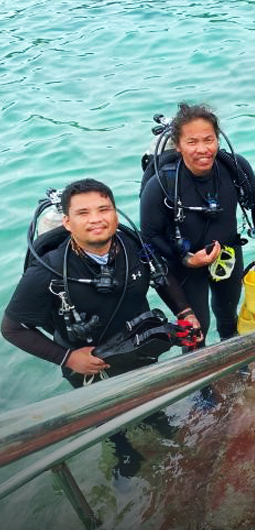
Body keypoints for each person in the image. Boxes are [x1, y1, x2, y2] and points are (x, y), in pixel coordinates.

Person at [1, 179, 199, 474]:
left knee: (149, 399)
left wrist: (185, 312)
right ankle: (122, 449)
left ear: (115, 214)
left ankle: (156, 420)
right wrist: (68, 358)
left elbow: (161, 276)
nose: (96, 219)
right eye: (83, 213)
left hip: (137, 346)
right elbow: (12, 327)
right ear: (67, 223)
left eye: (103, 209)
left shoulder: (133, 244)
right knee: (107, 417)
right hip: (88, 364)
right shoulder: (48, 270)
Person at [140, 102, 255, 343]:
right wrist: (187, 259)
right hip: (185, 264)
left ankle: (232, 359)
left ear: (217, 140)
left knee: (228, 318)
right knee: (196, 331)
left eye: (208, 140)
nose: (202, 149)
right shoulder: (162, 184)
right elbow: (149, 236)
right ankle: (201, 368)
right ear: (178, 145)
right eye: (192, 142)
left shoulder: (234, 167)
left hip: (227, 254)